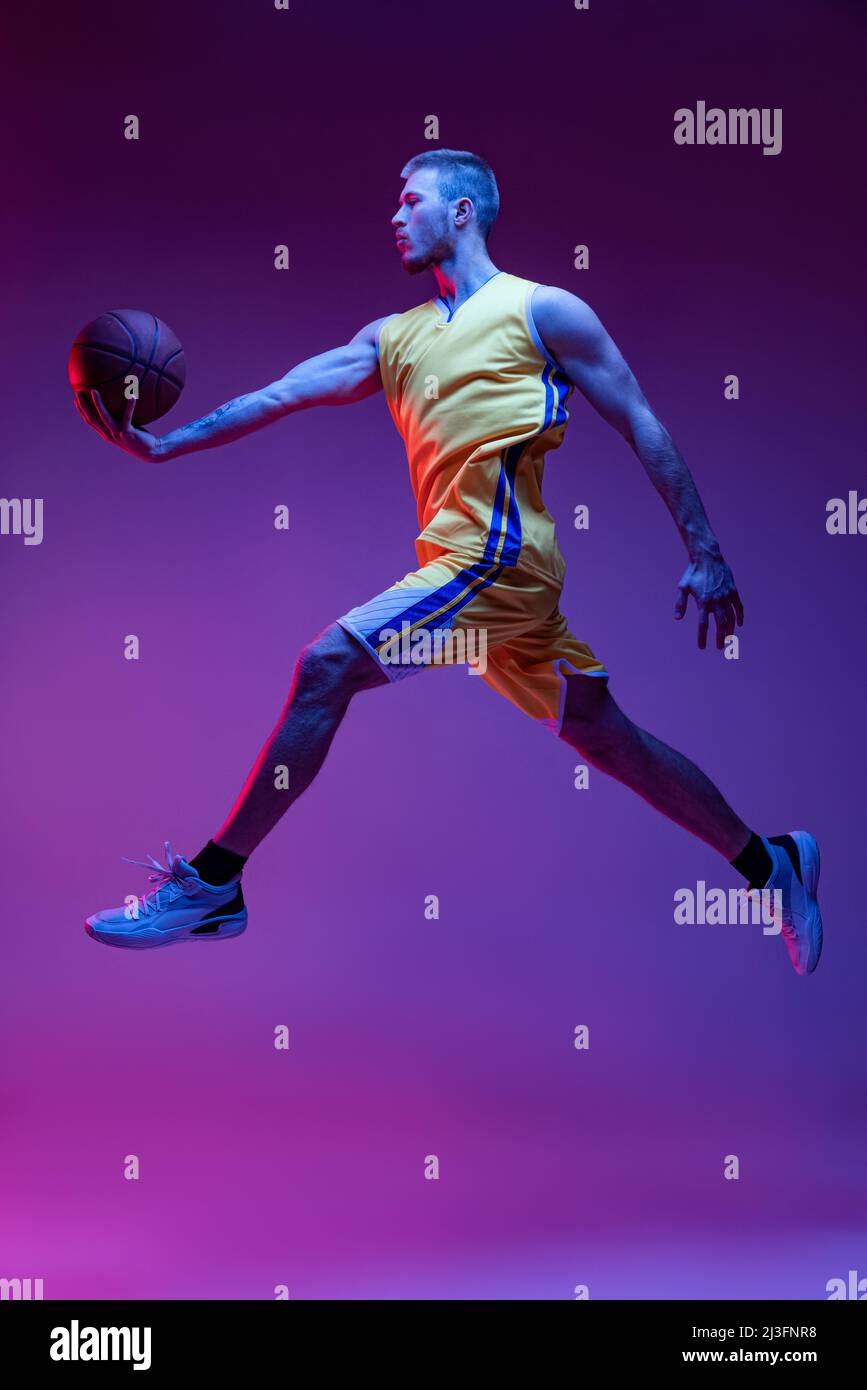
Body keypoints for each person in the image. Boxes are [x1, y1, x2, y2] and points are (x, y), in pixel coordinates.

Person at [75, 149, 822, 973]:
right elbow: (282, 392)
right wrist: (166, 444)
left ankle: (214, 884)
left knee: (326, 665)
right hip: (479, 584)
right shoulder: (392, 336)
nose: (394, 217)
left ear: (461, 212)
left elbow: (640, 421)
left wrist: (705, 551)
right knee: (604, 738)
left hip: (495, 560)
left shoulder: (543, 310)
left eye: (410, 200)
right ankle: (771, 862)